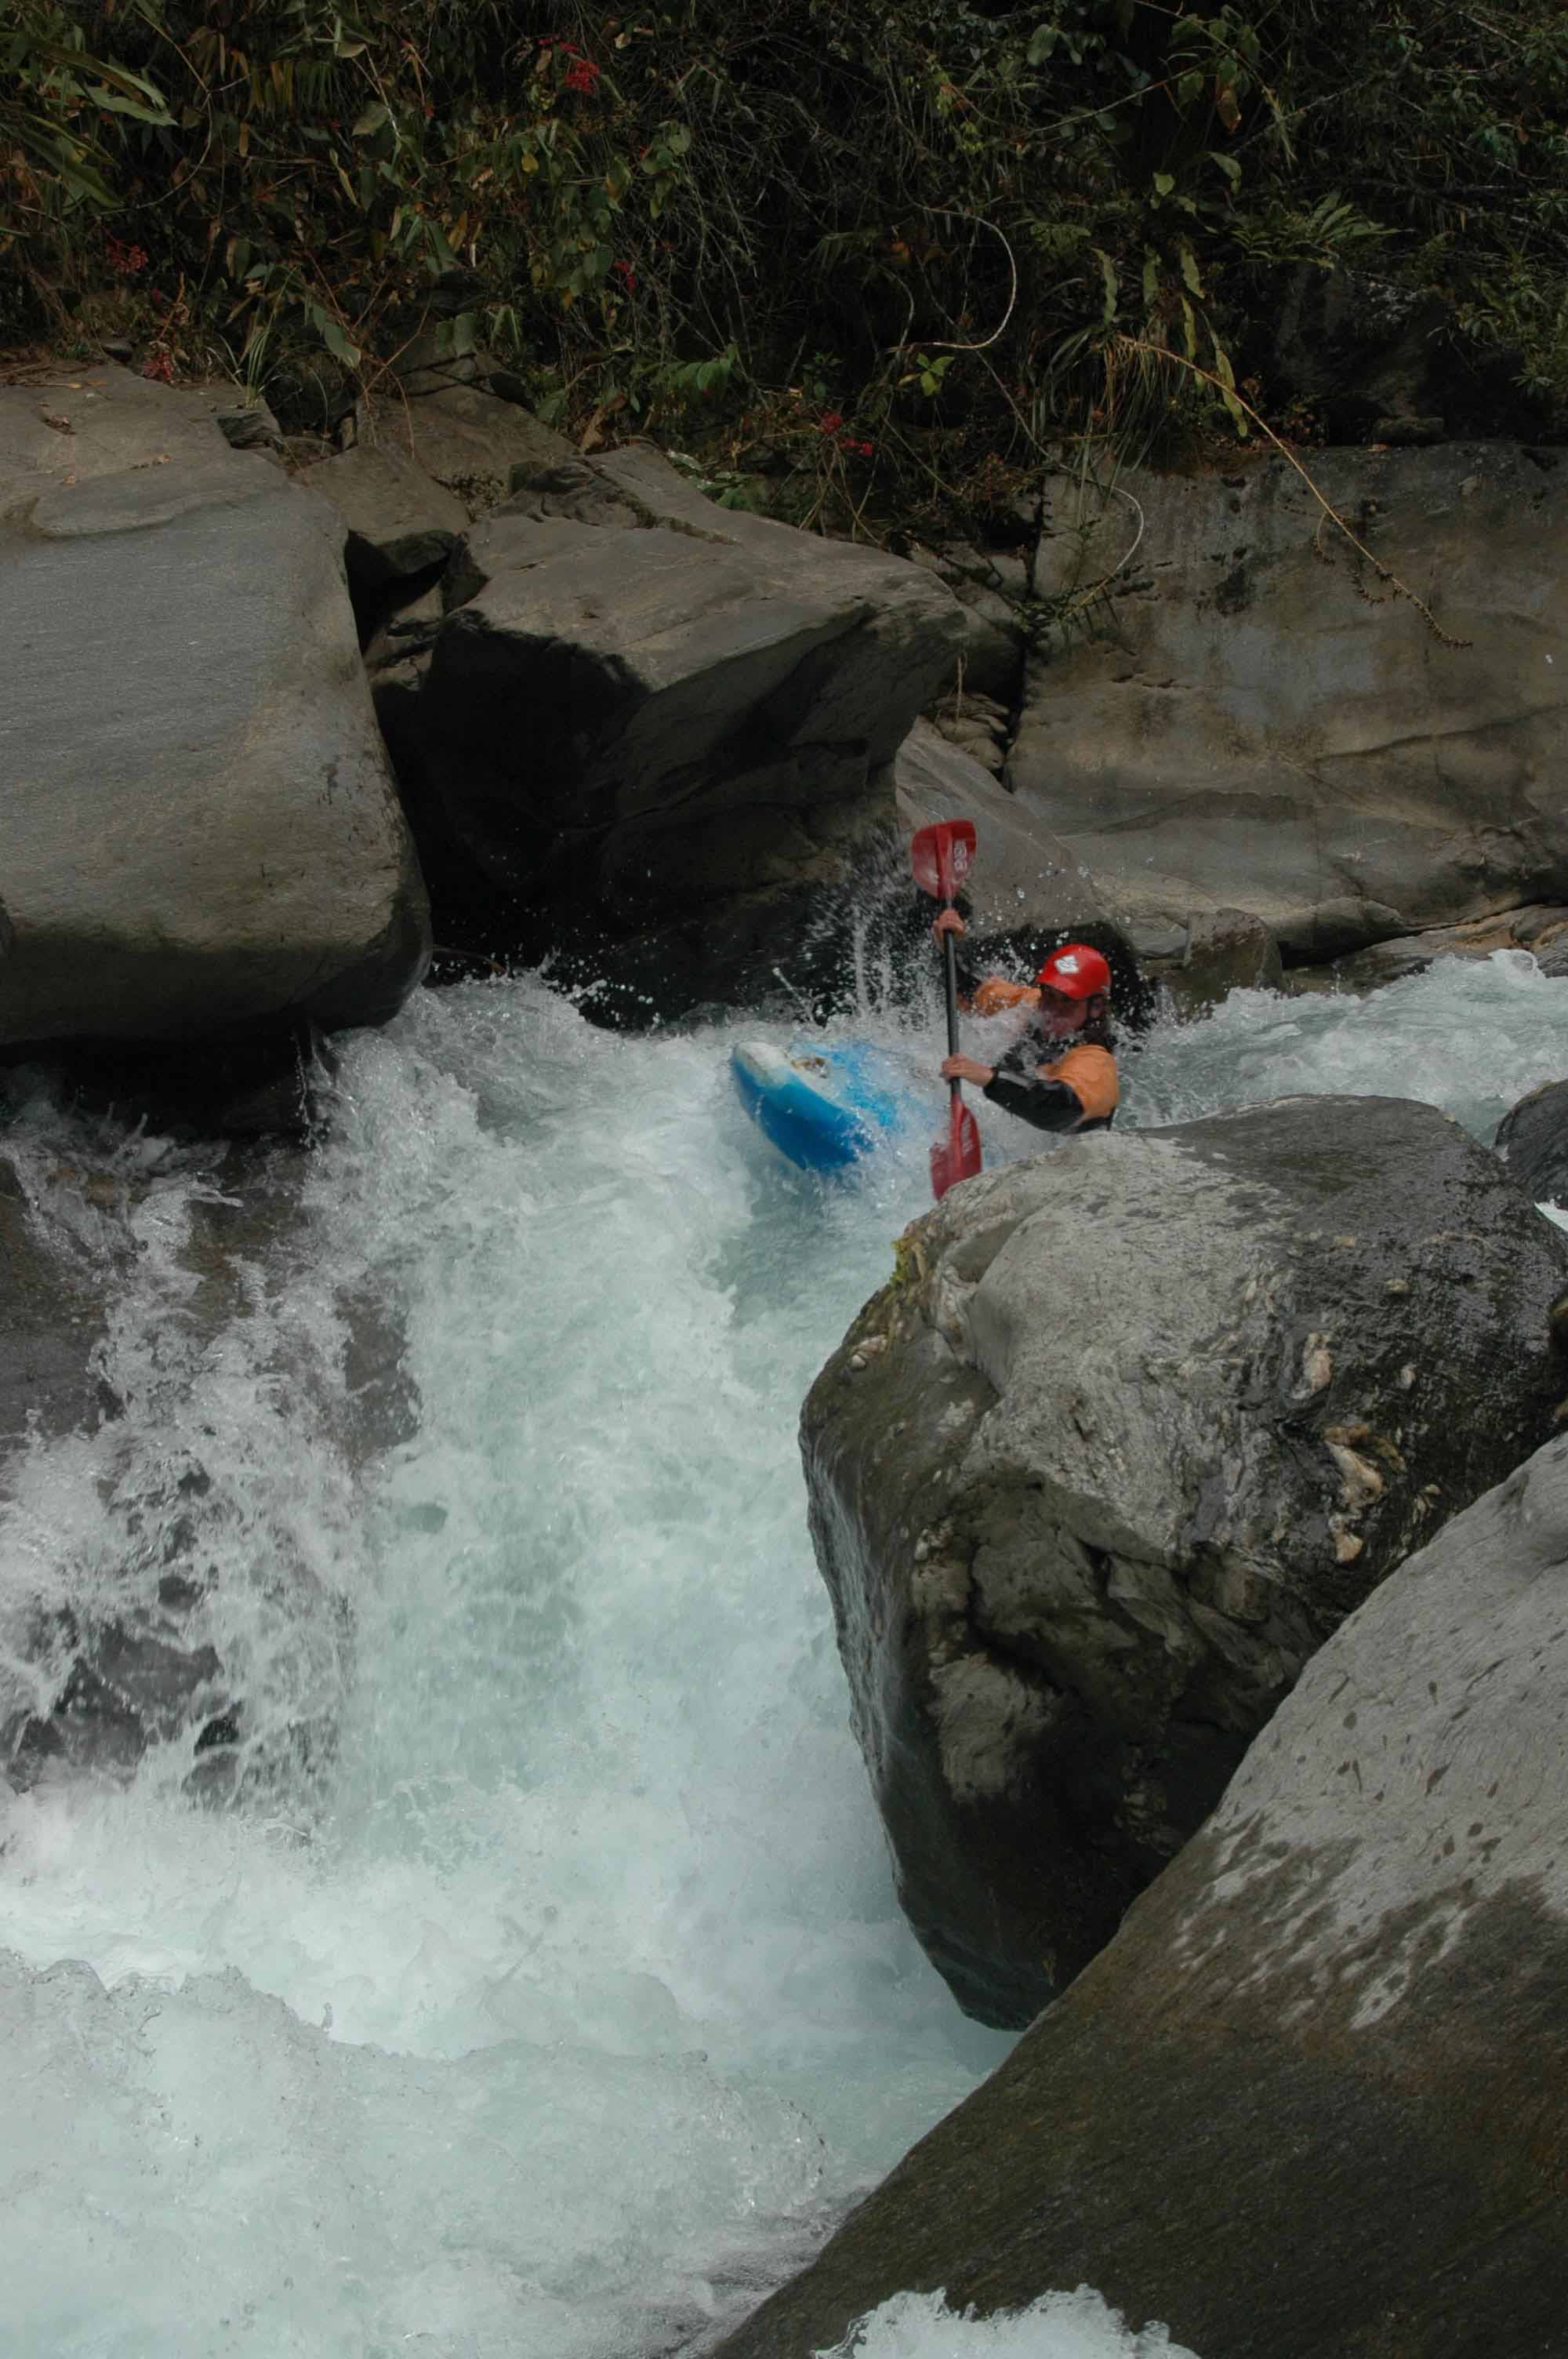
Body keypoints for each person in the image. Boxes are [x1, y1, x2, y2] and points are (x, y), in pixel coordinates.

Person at [933, 910, 1119, 1134]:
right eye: (1049, 995)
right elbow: (969, 991)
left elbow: (1056, 1109)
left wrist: (989, 1078)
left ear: (1096, 1007)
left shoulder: (1097, 1063)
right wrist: (950, 946)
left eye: (1067, 1002)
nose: (1052, 1010)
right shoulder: (1029, 1003)